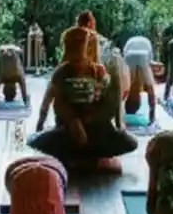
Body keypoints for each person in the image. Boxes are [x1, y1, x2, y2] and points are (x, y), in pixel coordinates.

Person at [29, 24, 137, 164]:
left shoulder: (98, 71)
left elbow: (112, 102)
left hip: (96, 127)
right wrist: (45, 126)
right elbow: (49, 102)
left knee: (128, 142)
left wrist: (100, 119)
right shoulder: (62, 72)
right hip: (68, 130)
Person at [122, 35, 158, 124]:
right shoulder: (127, 87)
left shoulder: (127, 86)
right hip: (137, 53)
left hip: (130, 54)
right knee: (150, 88)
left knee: (150, 88)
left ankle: (152, 116)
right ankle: (152, 117)